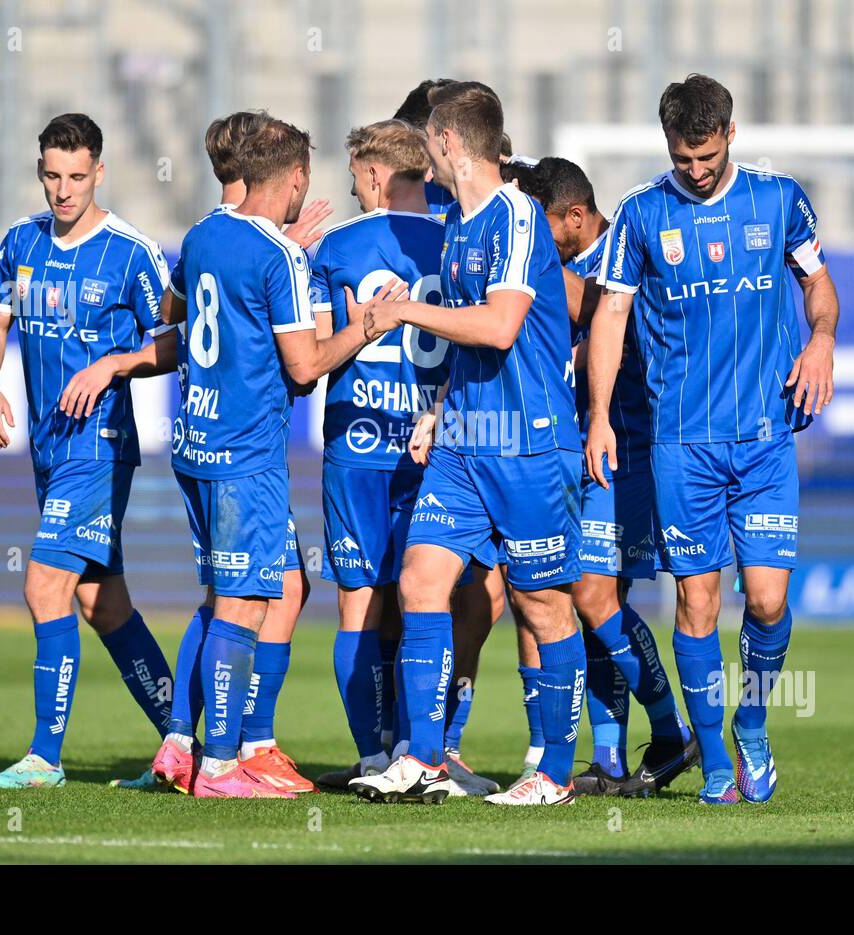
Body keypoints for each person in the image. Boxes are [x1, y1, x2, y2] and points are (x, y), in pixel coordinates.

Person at [585, 74, 839, 804]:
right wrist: (600, 414)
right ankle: (719, 768)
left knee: (764, 602)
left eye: (706, 154)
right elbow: (608, 319)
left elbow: (819, 282)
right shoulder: (640, 213)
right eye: (682, 156)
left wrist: (821, 338)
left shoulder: (778, 198)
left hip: (764, 438)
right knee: (696, 605)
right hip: (681, 448)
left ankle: (751, 724)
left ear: (730, 134)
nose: (695, 169)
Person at [154, 114, 404, 798]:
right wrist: (365, 326)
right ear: (294, 179)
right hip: (246, 454)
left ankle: (209, 741)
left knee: (283, 585)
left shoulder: (205, 234)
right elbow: (303, 368)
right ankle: (220, 765)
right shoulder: (281, 257)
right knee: (241, 602)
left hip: (196, 443)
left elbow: (184, 315)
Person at [357, 82, 585, 806]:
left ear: (450, 142)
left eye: (427, 139)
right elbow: (469, 344)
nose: (424, 151)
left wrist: (404, 310)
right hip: (463, 440)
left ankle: (552, 774)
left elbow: (499, 327)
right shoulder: (458, 223)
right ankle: (424, 758)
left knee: (541, 603)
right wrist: (439, 409)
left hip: (528, 444)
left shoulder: (516, 215)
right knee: (422, 580)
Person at [0, 113, 176, 789]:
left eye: (77, 176)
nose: (64, 190)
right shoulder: (20, 242)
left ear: (100, 172)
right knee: (102, 604)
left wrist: (114, 365)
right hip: (50, 449)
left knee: (43, 584)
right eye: (53, 176)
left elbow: (177, 342)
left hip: (101, 445)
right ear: (40, 172)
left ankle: (44, 759)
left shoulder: (130, 252)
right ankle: (186, 747)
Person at [307, 119, 496, 796]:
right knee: (443, 598)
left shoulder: (339, 248)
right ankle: (433, 748)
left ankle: (373, 757)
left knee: (361, 602)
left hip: (360, 443)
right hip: (444, 448)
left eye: (356, 176)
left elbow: (316, 354)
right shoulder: (461, 242)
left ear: (372, 173)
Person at [525, 156, 699, 797]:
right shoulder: (569, 264)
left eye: (546, 229)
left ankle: (673, 730)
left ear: (575, 216)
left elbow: (614, 322)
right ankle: (610, 758)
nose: (539, 243)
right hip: (583, 453)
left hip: (629, 451)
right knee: (594, 602)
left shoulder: (626, 253)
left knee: (592, 595)